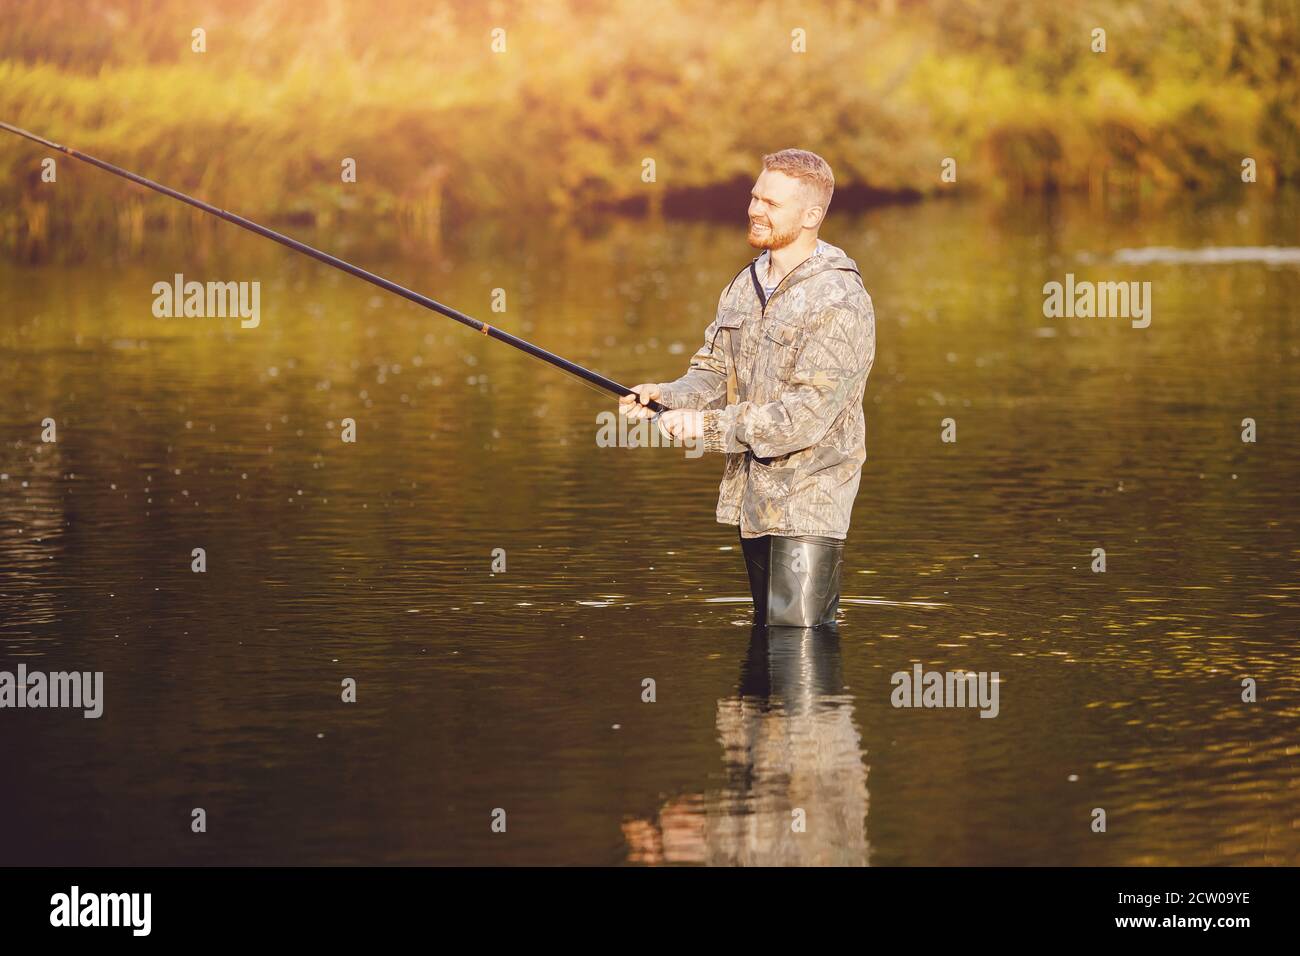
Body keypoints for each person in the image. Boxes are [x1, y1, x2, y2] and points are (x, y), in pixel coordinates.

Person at [620, 148, 875, 628]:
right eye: (755, 196)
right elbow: (714, 370)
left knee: (797, 645)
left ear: (811, 215)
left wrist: (708, 427)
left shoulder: (839, 299)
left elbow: (805, 416)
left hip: (810, 499)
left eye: (771, 204)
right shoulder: (745, 283)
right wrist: (668, 395)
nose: (755, 209)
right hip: (752, 500)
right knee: (766, 652)